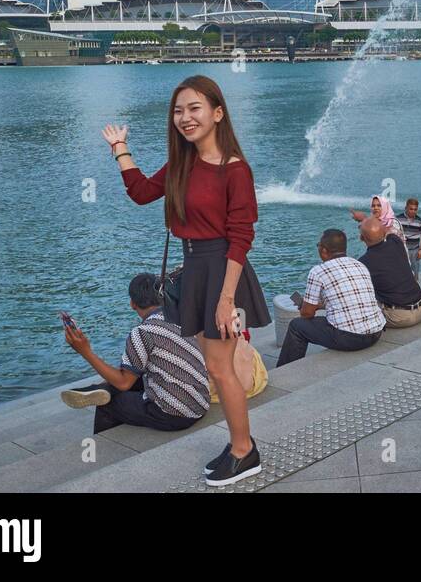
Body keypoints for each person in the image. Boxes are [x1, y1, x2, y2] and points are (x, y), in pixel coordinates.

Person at [103, 74, 271, 488]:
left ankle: (244, 451)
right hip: (194, 268)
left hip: (222, 269)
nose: (185, 117)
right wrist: (120, 149)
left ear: (217, 113)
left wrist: (226, 298)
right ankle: (240, 445)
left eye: (194, 108)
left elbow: (241, 236)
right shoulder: (184, 163)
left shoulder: (235, 169)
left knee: (221, 368)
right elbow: (142, 192)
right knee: (217, 367)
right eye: (178, 110)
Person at [60, 273, 209, 435]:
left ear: (132, 303)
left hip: (175, 414)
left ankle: (104, 449)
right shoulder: (178, 318)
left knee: (107, 403)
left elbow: (124, 383)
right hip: (200, 403)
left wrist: (85, 352)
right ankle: (100, 389)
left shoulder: (142, 332)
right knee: (133, 374)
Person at [278, 228, 385, 365]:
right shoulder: (359, 265)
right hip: (376, 333)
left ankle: (285, 370)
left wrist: (306, 307)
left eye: (318, 245)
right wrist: (320, 305)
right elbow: (348, 299)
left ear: (323, 250)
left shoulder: (318, 271)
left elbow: (306, 314)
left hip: (351, 339)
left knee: (296, 326)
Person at [358, 216, 421, 328]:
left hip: (398, 317)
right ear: (384, 232)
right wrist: (367, 219)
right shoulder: (396, 242)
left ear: (361, 238)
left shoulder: (363, 263)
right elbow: (388, 231)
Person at [351, 195, 409, 262]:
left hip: (396, 261)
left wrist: (364, 219)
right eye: (373, 206)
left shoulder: (393, 222)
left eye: (379, 205)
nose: (375, 208)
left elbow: (389, 241)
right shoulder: (374, 221)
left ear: (385, 207)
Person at [395, 198, 421, 275]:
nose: (413, 211)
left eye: (415, 209)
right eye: (411, 209)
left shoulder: (420, 221)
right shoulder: (398, 219)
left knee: (415, 274)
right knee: (400, 273)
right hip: (401, 251)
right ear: (406, 208)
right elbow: (393, 234)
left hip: (414, 251)